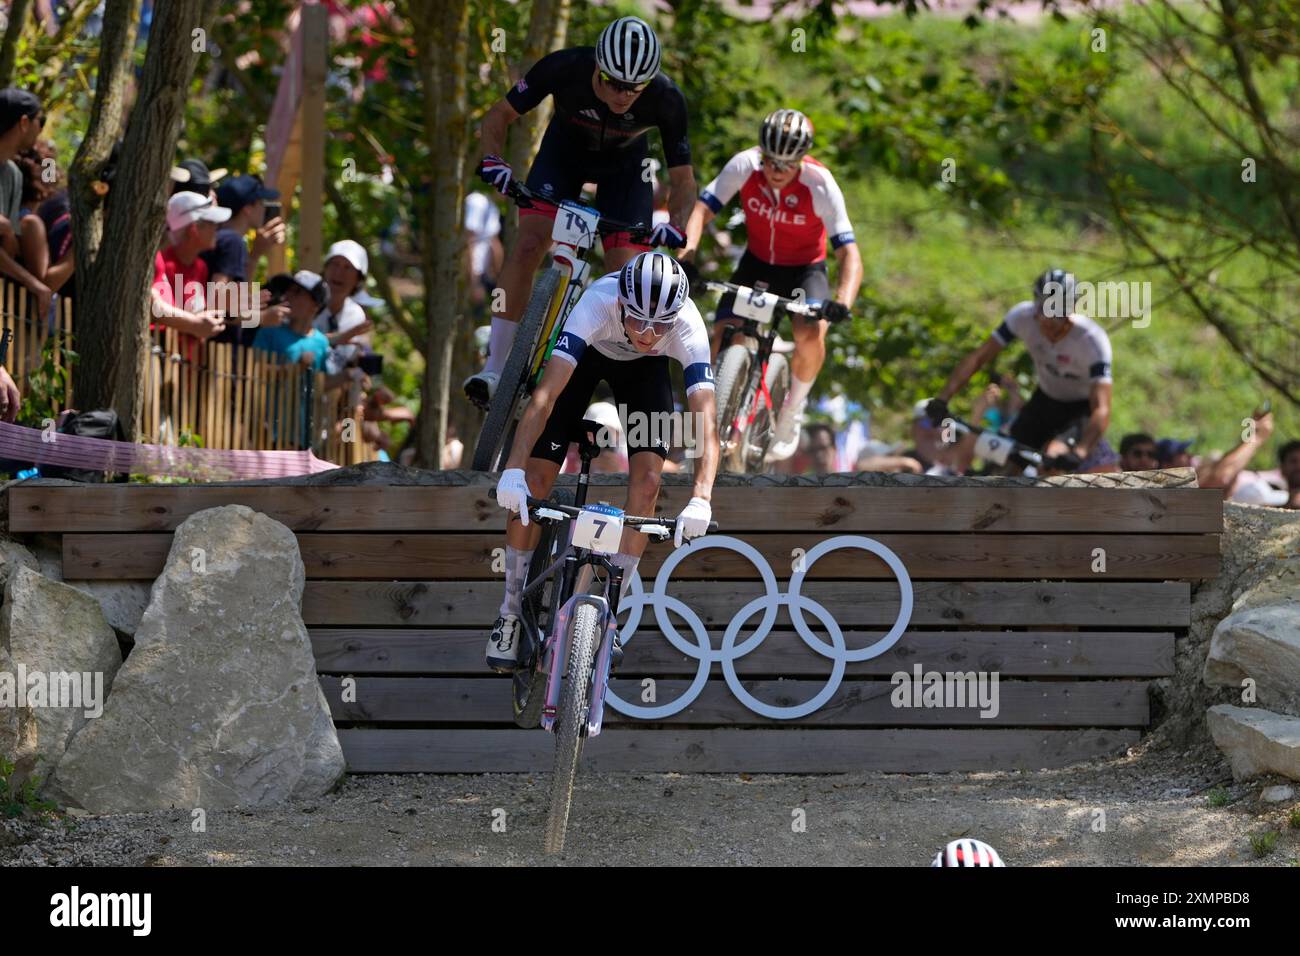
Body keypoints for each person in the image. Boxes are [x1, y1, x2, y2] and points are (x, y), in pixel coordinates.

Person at [487, 251, 718, 672]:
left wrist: (701, 498)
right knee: (537, 478)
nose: (648, 333)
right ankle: (509, 612)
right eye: (638, 320)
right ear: (621, 305)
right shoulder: (597, 302)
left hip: (644, 375)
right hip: (586, 359)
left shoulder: (688, 327)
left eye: (660, 324)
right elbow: (545, 398)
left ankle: (608, 613)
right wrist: (514, 470)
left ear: (676, 316)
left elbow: (705, 426)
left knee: (648, 486)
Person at [464, 15, 697, 409]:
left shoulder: (666, 97)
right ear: (598, 69)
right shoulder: (564, 66)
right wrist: (494, 161)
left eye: (634, 88)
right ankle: (496, 365)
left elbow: (684, 180)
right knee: (528, 244)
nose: (624, 95)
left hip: (626, 170)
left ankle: (591, 379)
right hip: (563, 155)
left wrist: (676, 224)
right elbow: (498, 115)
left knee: (623, 277)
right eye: (615, 84)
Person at [681, 108, 862, 460]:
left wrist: (843, 300)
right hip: (758, 263)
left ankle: (793, 407)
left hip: (804, 269)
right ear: (760, 152)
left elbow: (849, 253)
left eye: (786, 164)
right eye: (770, 161)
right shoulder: (745, 165)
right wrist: (686, 257)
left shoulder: (820, 183)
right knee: (723, 333)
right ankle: (708, 419)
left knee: (810, 333)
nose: (776, 171)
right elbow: (702, 210)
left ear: (801, 160)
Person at [927, 269, 1113, 472]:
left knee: (1053, 459)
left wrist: (1081, 451)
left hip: (1079, 408)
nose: (1050, 323)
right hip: (1044, 399)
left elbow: (1101, 408)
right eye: (1044, 312)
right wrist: (943, 398)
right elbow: (979, 357)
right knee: (1008, 467)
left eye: (1059, 316)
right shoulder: (1022, 317)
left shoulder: (1092, 341)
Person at [203, 173, 286, 341]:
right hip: (217, 349)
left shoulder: (220, 237)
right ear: (248, 208)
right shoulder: (233, 241)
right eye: (261, 202)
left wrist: (255, 254)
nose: (265, 208)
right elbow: (218, 302)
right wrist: (261, 318)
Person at [150, 191, 230, 344]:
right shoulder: (162, 262)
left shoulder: (201, 267)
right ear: (194, 229)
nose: (217, 229)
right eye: (212, 223)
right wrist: (195, 324)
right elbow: (154, 310)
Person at [0, 88, 50, 316]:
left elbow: (7, 250)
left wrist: (9, 233)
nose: (41, 130)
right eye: (40, 121)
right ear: (23, 122)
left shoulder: (12, 174)